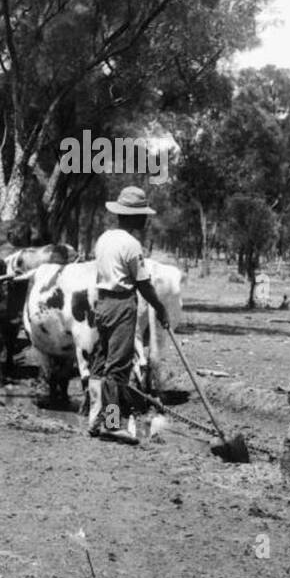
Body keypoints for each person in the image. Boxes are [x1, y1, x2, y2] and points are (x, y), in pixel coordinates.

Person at [88, 185, 171, 445]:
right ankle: (112, 424)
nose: (146, 219)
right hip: (122, 304)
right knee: (118, 367)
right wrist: (160, 307)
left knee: (101, 364)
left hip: (102, 304)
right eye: (143, 215)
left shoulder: (104, 238)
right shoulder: (131, 244)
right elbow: (144, 284)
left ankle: (96, 418)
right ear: (133, 216)